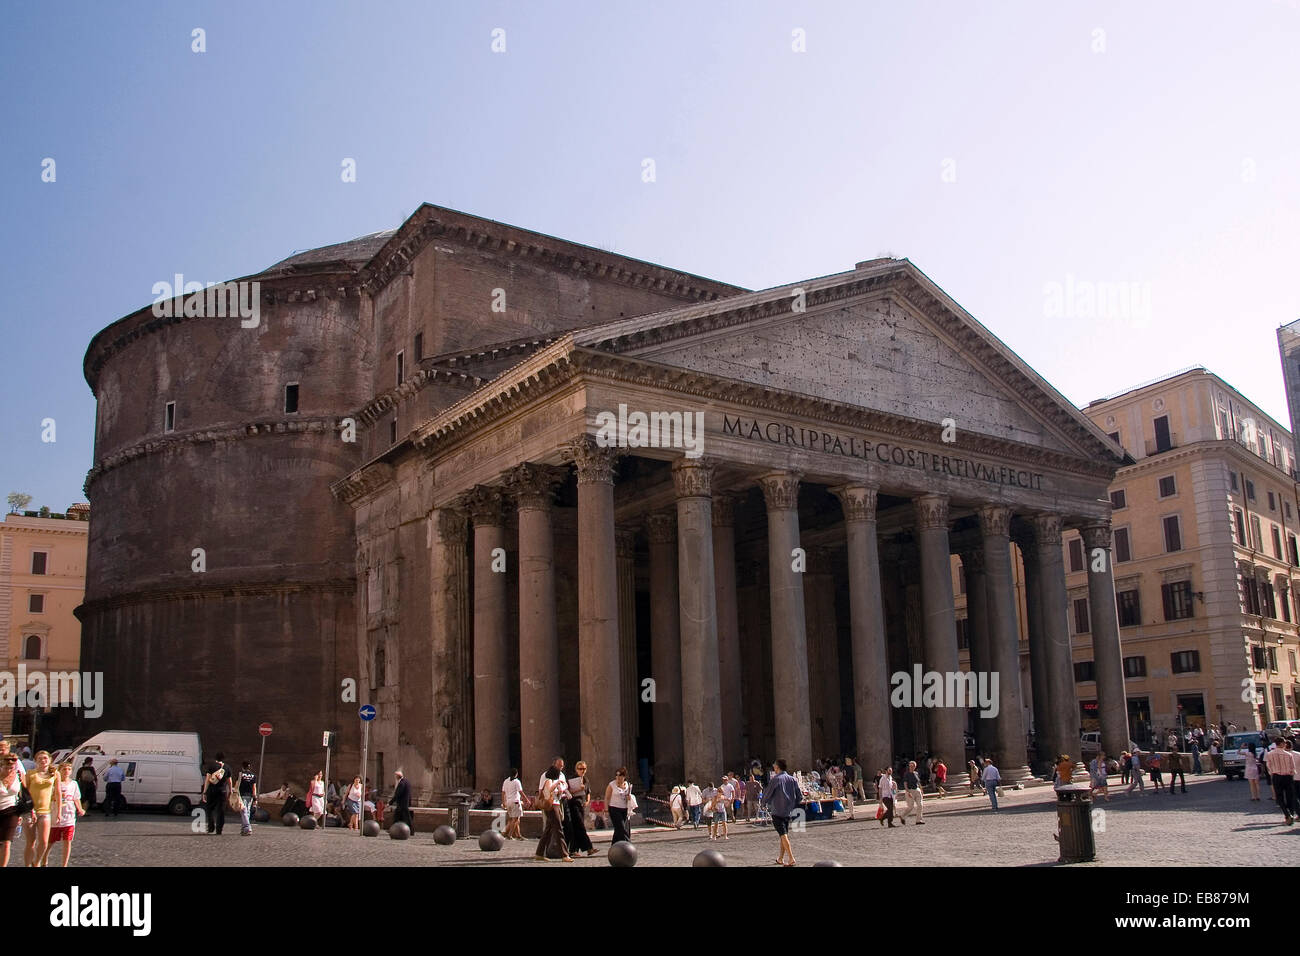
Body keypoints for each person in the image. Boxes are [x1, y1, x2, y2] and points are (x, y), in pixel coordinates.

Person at [762, 758, 802, 866]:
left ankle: (791, 858)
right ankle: (780, 858)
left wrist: (763, 803)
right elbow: (799, 796)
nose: (773, 768)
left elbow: (767, 793)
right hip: (787, 811)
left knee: (783, 835)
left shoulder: (776, 779)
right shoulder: (792, 779)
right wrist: (794, 804)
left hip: (777, 811)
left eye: (774, 766)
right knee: (783, 835)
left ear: (777, 767)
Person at [44, 762, 85, 867]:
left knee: (68, 841)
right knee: (50, 841)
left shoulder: (74, 783)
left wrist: (80, 809)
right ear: (59, 771)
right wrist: (56, 796)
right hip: (55, 815)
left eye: (68, 769)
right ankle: (44, 858)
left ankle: (64, 864)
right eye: (64, 769)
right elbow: (48, 797)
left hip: (69, 815)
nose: (66, 771)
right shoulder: (54, 783)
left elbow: (76, 798)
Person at [25, 751, 58, 866]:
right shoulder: (30, 773)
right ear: (35, 761)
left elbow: (58, 793)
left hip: (45, 811)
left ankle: (37, 862)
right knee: (31, 842)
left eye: (45, 758)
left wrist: (58, 812)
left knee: (44, 842)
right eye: (39, 759)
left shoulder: (54, 774)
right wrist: (29, 809)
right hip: (31, 812)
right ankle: (27, 865)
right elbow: (24, 793)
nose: (42, 760)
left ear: (49, 760)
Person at [535, 766, 573, 862]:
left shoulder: (552, 781)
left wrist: (560, 791)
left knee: (548, 830)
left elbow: (554, 794)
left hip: (554, 804)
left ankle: (539, 853)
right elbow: (548, 791)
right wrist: (557, 783)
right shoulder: (548, 781)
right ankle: (565, 855)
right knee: (559, 829)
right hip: (552, 806)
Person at [565, 761, 596, 856]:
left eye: (584, 769)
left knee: (577, 827)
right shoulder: (572, 779)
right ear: (576, 769)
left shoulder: (586, 779)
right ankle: (589, 848)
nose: (582, 771)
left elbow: (588, 792)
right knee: (580, 826)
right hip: (573, 804)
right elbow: (567, 791)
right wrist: (579, 789)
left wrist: (587, 801)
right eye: (580, 768)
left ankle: (573, 850)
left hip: (581, 804)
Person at [1264, 740, 1295, 825]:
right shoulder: (1288, 755)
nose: (1285, 744)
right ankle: (1290, 814)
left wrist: (1272, 773)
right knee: (1290, 796)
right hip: (1288, 777)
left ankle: (1287, 814)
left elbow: (1268, 766)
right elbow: (1293, 768)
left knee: (1279, 797)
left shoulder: (1270, 754)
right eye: (1284, 743)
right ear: (1281, 744)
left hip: (1276, 777)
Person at [0, 755, 23, 868]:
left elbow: (22, 795)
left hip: (12, 811)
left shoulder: (18, 775)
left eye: (12, 767)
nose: (9, 770)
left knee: (7, 842)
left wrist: (22, 812)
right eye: (7, 767)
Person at [204, 753, 232, 834]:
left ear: (215, 758)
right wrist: (230, 790)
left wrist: (204, 792)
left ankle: (211, 827)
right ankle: (219, 830)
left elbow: (207, 780)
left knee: (209, 809)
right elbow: (229, 781)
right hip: (222, 791)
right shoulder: (227, 767)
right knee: (221, 811)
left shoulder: (211, 766)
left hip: (212, 790)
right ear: (223, 758)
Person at [604, 767, 632, 845]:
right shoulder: (612, 785)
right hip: (614, 808)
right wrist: (606, 809)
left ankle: (614, 845)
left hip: (624, 808)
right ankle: (627, 843)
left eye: (620, 775)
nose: (618, 777)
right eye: (616, 775)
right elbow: (607, 797)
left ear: (624, 776)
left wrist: (629, 798)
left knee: (618, 829)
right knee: (621, 827)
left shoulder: (627, 785)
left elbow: (628, 798)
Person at [501, 770, 525, 840]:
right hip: (515, 802)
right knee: (515, 819)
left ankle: (518, 835)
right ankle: (509, 835)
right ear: (516, 774)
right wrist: (527, 800)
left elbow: (503, 793)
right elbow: (521, 792)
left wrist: (503, 802)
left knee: (512, 819)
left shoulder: (506, 781)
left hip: (508, 802)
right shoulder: (517, 781)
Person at [237, 760, 258, 836]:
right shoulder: (253, 775)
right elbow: (254, 787)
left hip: (242, 795)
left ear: (242, 767)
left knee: (243, 811)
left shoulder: (241, 774)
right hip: (250, 795)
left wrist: (235, 793)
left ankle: (247, 828)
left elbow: (237, 785)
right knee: (247, 812)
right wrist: (255, 797)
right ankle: (243, 829)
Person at [901, 760, 925, 825]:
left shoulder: (916, 773)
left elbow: (918, 782)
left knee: (920, 805)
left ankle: (918, 820)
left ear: (915, 766)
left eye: (913, 766)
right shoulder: (906, 774)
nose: (911, 767)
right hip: (910, 790)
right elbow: (905, 783)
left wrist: (921, 790)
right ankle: (902, 816)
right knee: (910, 807)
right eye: (910, 766)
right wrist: (908, 792)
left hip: (917, 790)